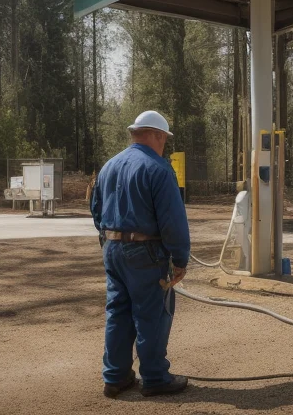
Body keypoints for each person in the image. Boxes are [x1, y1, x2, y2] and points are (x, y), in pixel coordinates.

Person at [90, 110, 191, 398]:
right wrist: (180, 259)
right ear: (157, 136)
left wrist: (110, 239)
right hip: (146, 252)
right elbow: (172, 219)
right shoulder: (158, 169)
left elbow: (96, 210)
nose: (164, 146)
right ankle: (155, 378)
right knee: (152, 314)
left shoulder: (109, 166)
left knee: (118, 311)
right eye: (164, 140)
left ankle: (116, 377)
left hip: (112, 248)